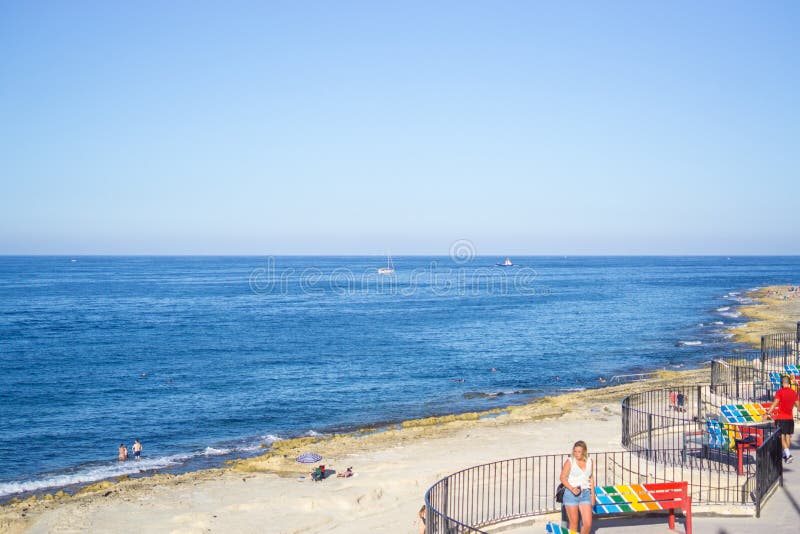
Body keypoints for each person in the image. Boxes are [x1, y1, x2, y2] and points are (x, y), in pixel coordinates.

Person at [559, 440, 594, 534]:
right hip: (571, 494)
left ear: (584, 452)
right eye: (575, 451)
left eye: (579, 451)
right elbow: (562, 478)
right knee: (574, 524)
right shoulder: (570, 461)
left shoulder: (590, 461)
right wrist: (572, 488)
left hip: (585, 494)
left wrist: (593, 495)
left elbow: (591, 478)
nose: (576, 453)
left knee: (588, 524)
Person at [768, 375, 800, 463]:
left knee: (782, 437)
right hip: (790, 418)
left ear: (782, 383)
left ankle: (788, 455)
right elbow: (798, 406)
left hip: (782, 418)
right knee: (788, 437)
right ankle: (785, 454)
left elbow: (775, 403)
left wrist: (768, 412)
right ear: (789, 383)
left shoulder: (779, 392)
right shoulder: (794, 393)